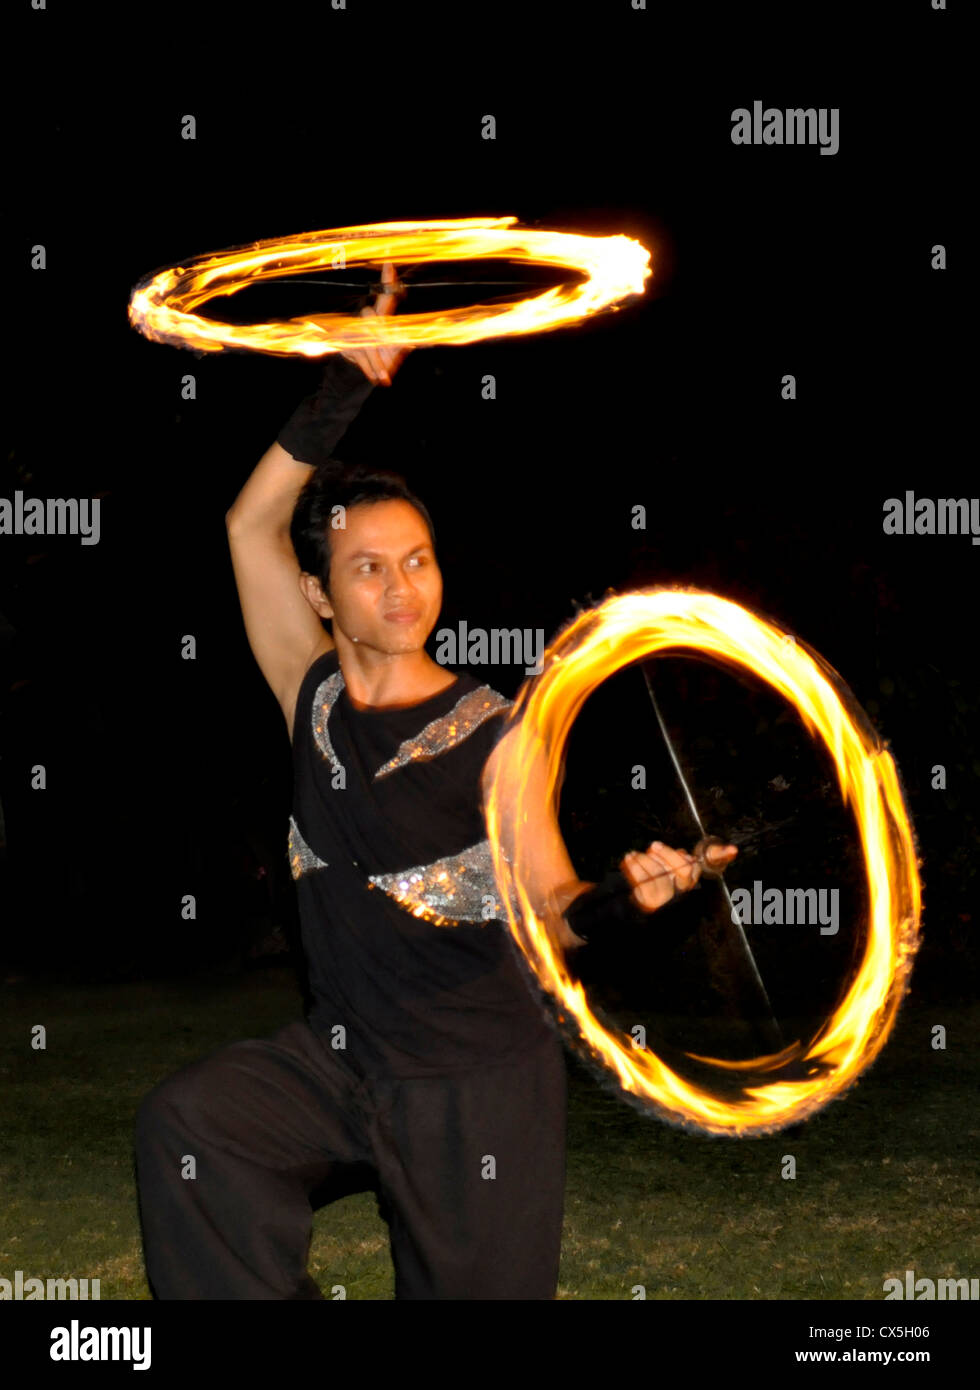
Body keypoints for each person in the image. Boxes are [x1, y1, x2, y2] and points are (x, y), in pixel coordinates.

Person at [133, 263, 736, 1300]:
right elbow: (248, 523)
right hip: (340, 1062)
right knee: (191, 1124)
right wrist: (345, 384)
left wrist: (625, 900)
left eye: (414, 559)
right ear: (317, 592)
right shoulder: (307, 692)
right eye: (367, 566)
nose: (399, 584)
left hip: (475, 1087)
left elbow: (549, 902)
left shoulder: (494, 733)